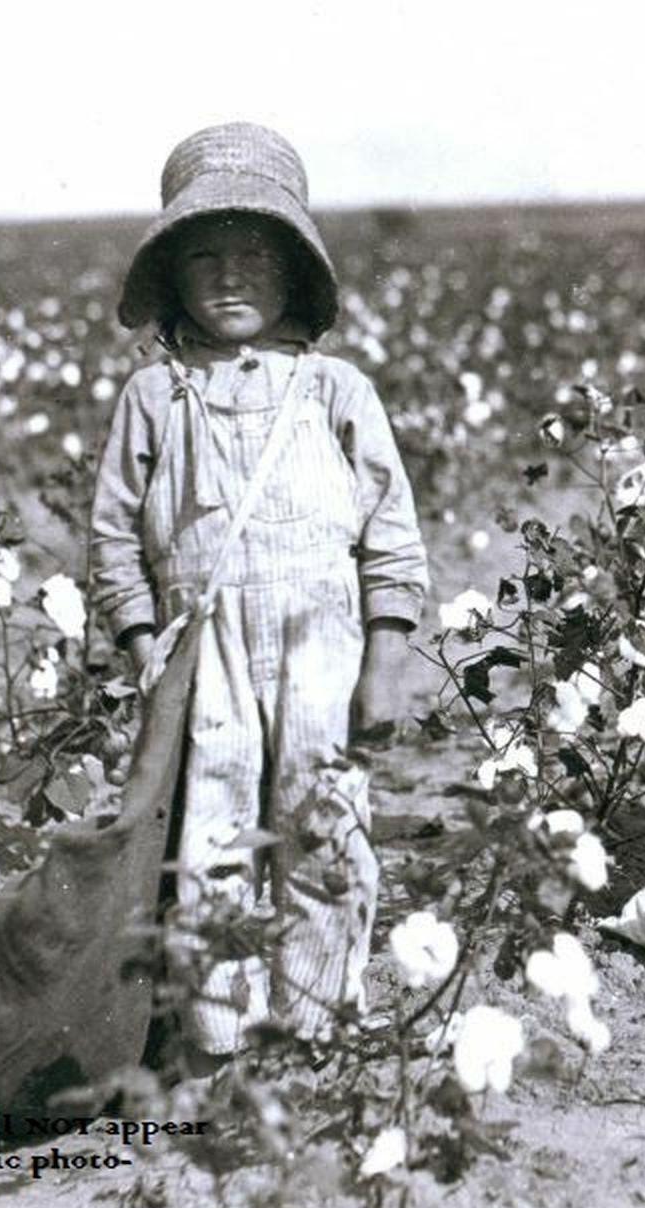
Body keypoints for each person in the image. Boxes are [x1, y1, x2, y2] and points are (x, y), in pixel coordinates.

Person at [89, 122, 428, 1067]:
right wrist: (143, 646)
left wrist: (386, 663)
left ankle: (316, 1025)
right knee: (213, 836)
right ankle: (223, 1041)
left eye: (254, 256)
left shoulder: (335, 392)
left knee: (324, 827)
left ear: (293, 273)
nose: (230, 277)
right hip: (204, 653)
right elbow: (113, 536)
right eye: (204, 257)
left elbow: (391, 535)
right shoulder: (155, 397)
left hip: (323, 644)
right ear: (172, 276)